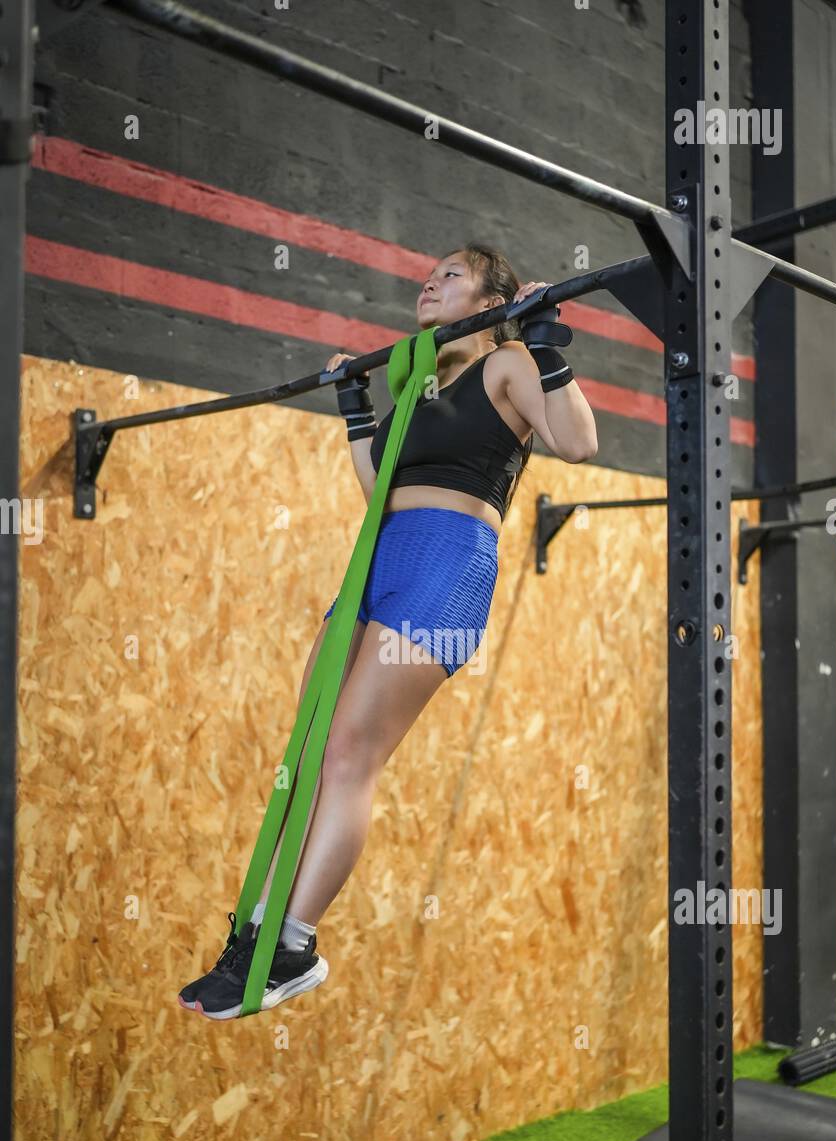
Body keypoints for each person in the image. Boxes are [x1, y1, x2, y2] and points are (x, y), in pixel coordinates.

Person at [179, 242, 598, 1020]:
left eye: (450, 275)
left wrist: (542, 342)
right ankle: (256, 938)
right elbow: (379, 488)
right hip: (379, 557)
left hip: (447, 562)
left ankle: (295, 945)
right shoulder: (418, 385)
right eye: (428, 274)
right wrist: (356, 410)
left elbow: (579, 443)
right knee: (306, 753)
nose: (428, 283)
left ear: (489, 299)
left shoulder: (503, 366)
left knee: (349, 754)